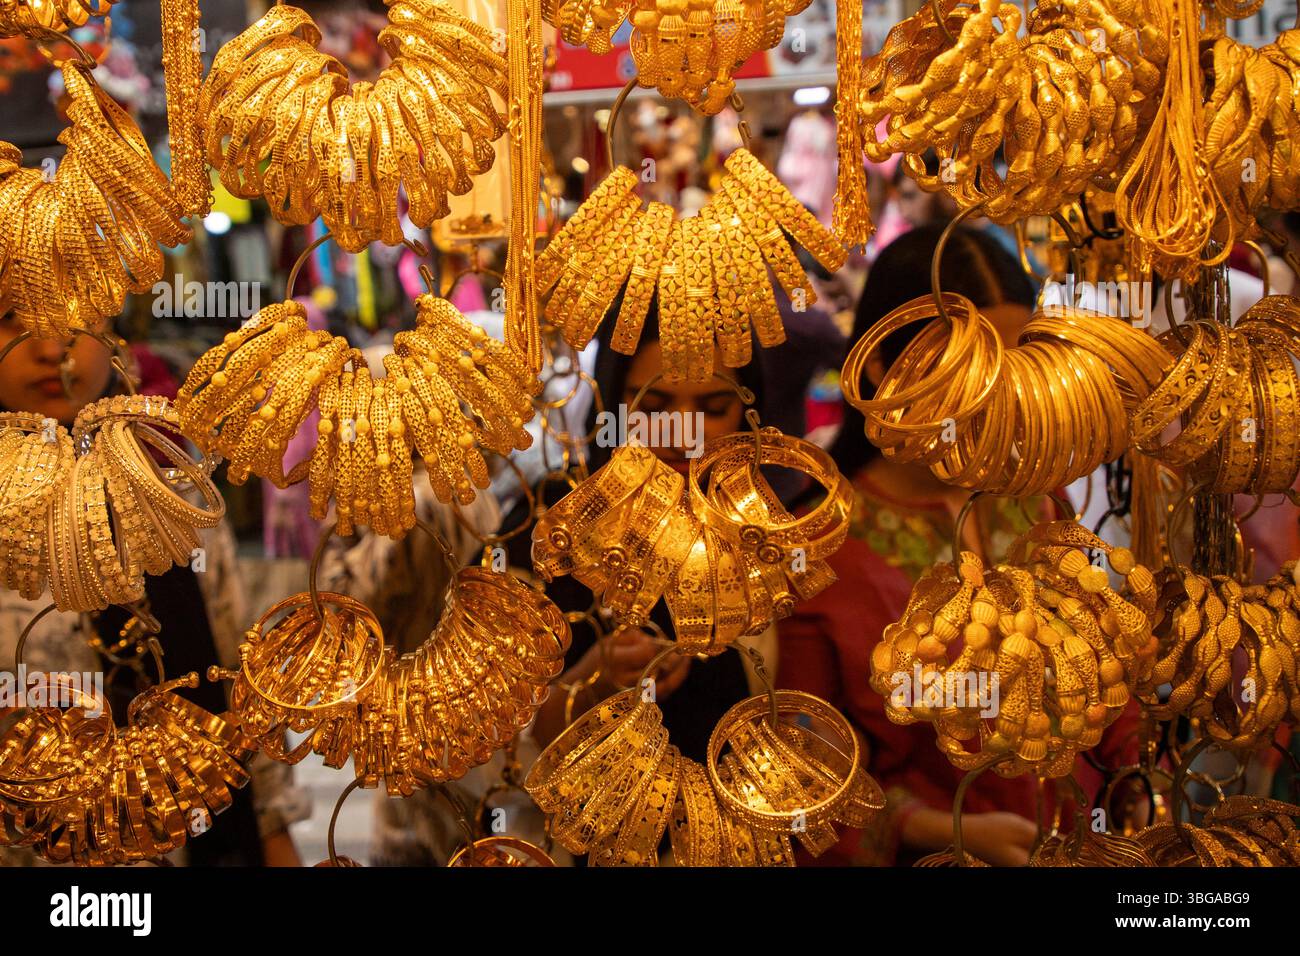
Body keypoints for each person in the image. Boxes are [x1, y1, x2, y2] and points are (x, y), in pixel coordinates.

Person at [778, 226, 1138, 866]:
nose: (998, 397)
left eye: (1017, 365)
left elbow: (1101, 682)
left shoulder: (1040, 502)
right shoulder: (821, 549)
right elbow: (804, 772)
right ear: (885, 367)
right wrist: (932, 827)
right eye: (969, 369)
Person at [0, 313, 308, 866]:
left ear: (111, 332)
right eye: (8, 320)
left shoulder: (176, 500)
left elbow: (240, 684)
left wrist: (273, 833)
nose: (51, 348)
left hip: (209, 838)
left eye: (73, 319)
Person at [517, 302, 775, 772]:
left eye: (713, 408)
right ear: (615, 403)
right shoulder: (552, 521)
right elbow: (491, 741)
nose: (683, 435)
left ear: (749, 410)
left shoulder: (772, 525)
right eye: (652, 408)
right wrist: (594, 681)